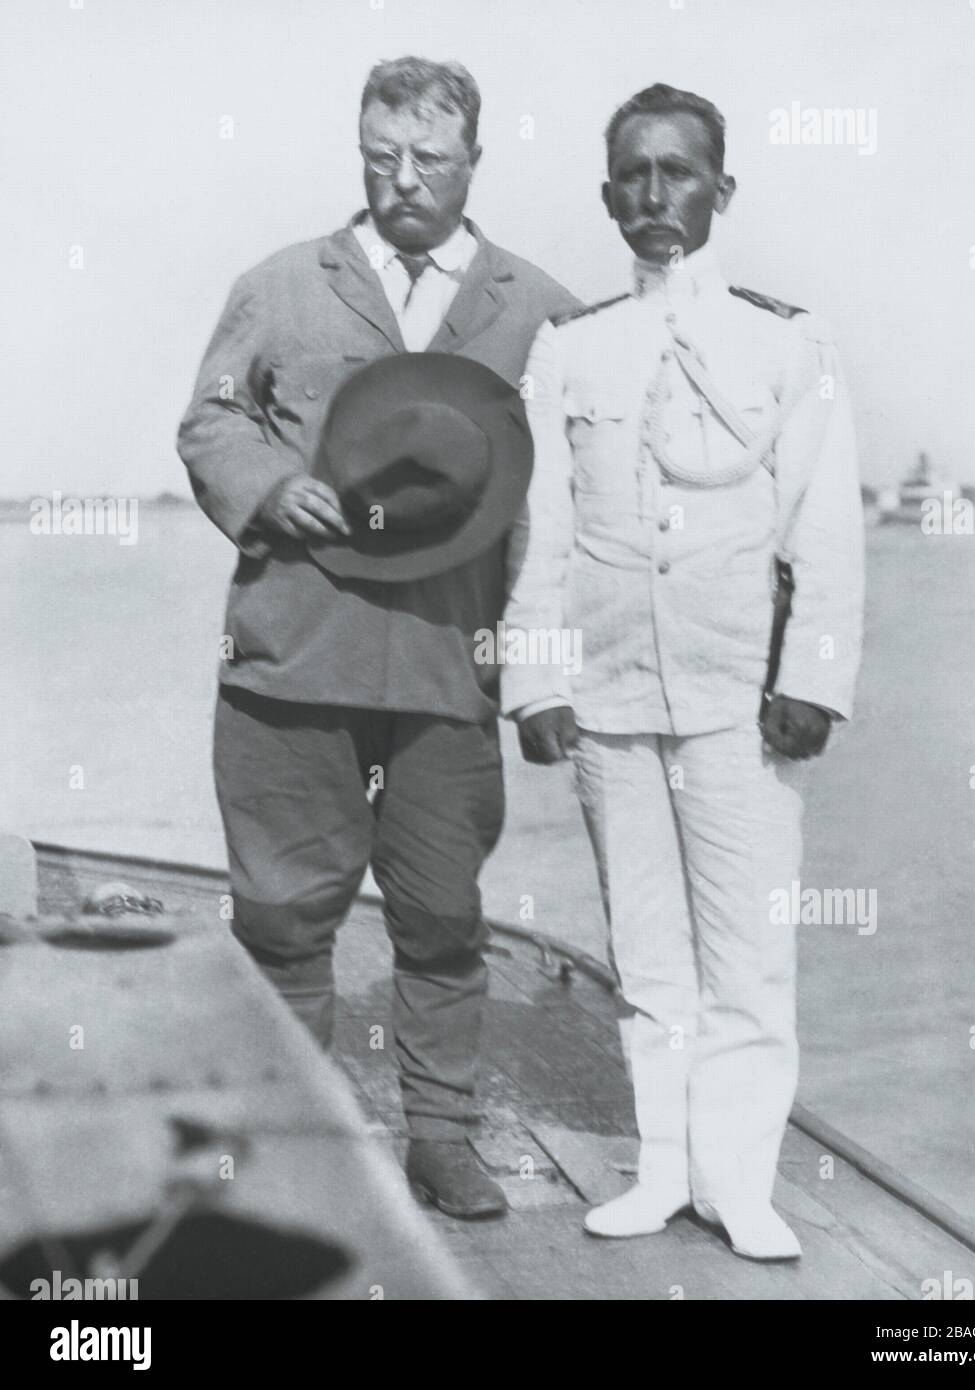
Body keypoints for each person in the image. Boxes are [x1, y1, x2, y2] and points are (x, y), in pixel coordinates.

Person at [177, 57, 578, 1220]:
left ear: (473, 161)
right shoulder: (282, 283)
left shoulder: (535, 304)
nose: (403, 179)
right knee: (282, 915)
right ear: (360, 152)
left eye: (430, 159)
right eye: (380, 156)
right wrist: (263, 484)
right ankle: (289, 1141)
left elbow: (575, 497)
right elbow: (210, 415)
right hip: (291, 658)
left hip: (452, 666)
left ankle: (442, 1136)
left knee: (444, 917)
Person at [502, 84, 864, 1259]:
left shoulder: (788, 339)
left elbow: (825, 528)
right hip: (608, 696)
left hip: (733, 700)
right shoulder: (570, 349)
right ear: (609, 196)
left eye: (680, 173)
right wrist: (536, 681)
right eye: (635, 177)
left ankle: (740, 1184)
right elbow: (542, 530)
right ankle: (662, 1170)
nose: (656, 197)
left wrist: (812, 675)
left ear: (722, 190)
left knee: (750, 958)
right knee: (648, 956)